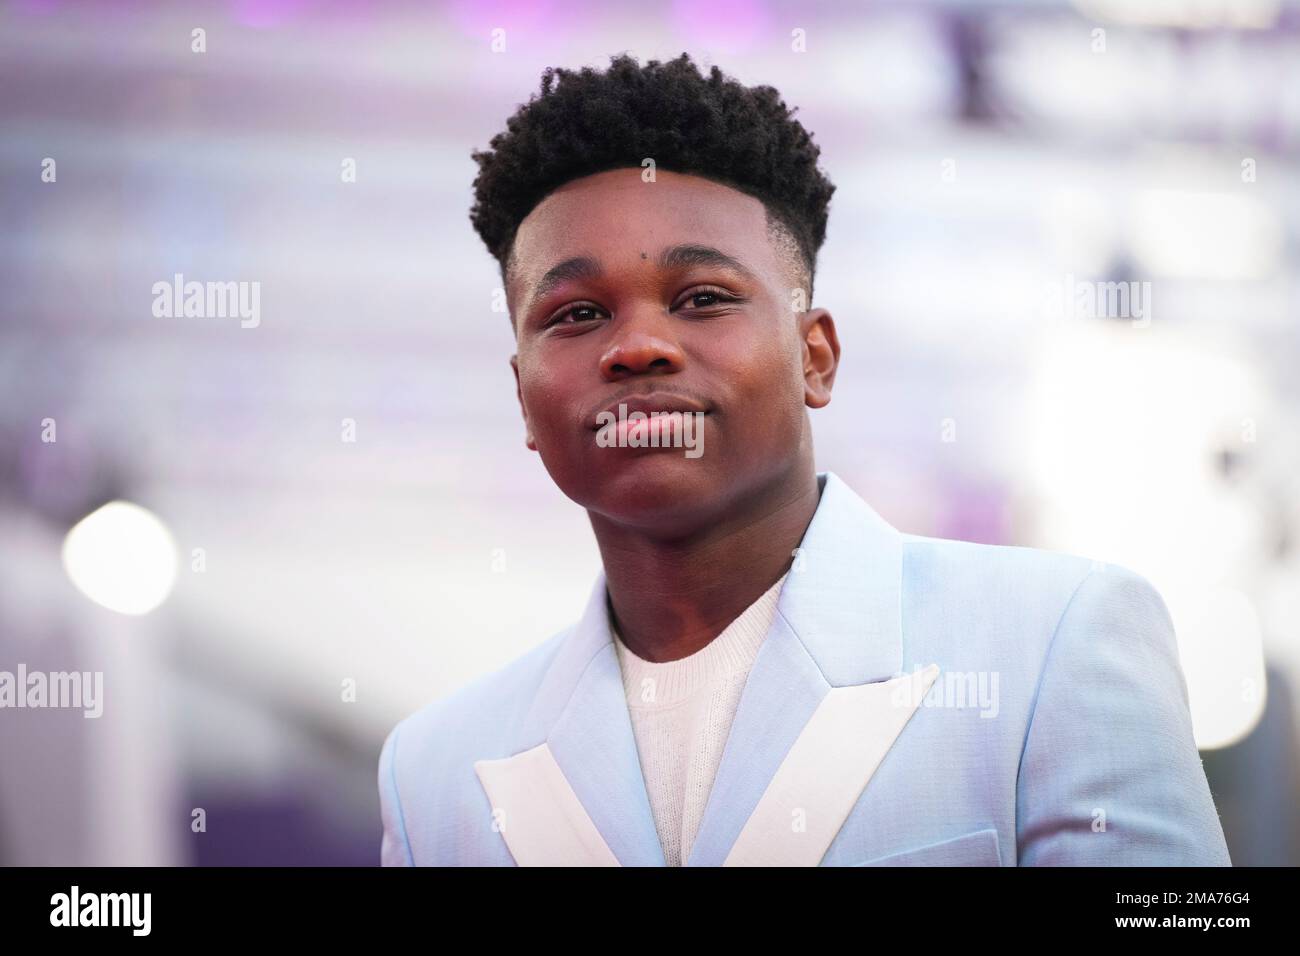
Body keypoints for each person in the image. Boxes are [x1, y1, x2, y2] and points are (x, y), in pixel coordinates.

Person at [378, 52, 1231, 866]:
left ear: (814, 357)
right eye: (573, 315)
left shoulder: (1055, 641)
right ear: (525, 397)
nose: (637, 346)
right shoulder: (434, 772)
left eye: (702, 298)